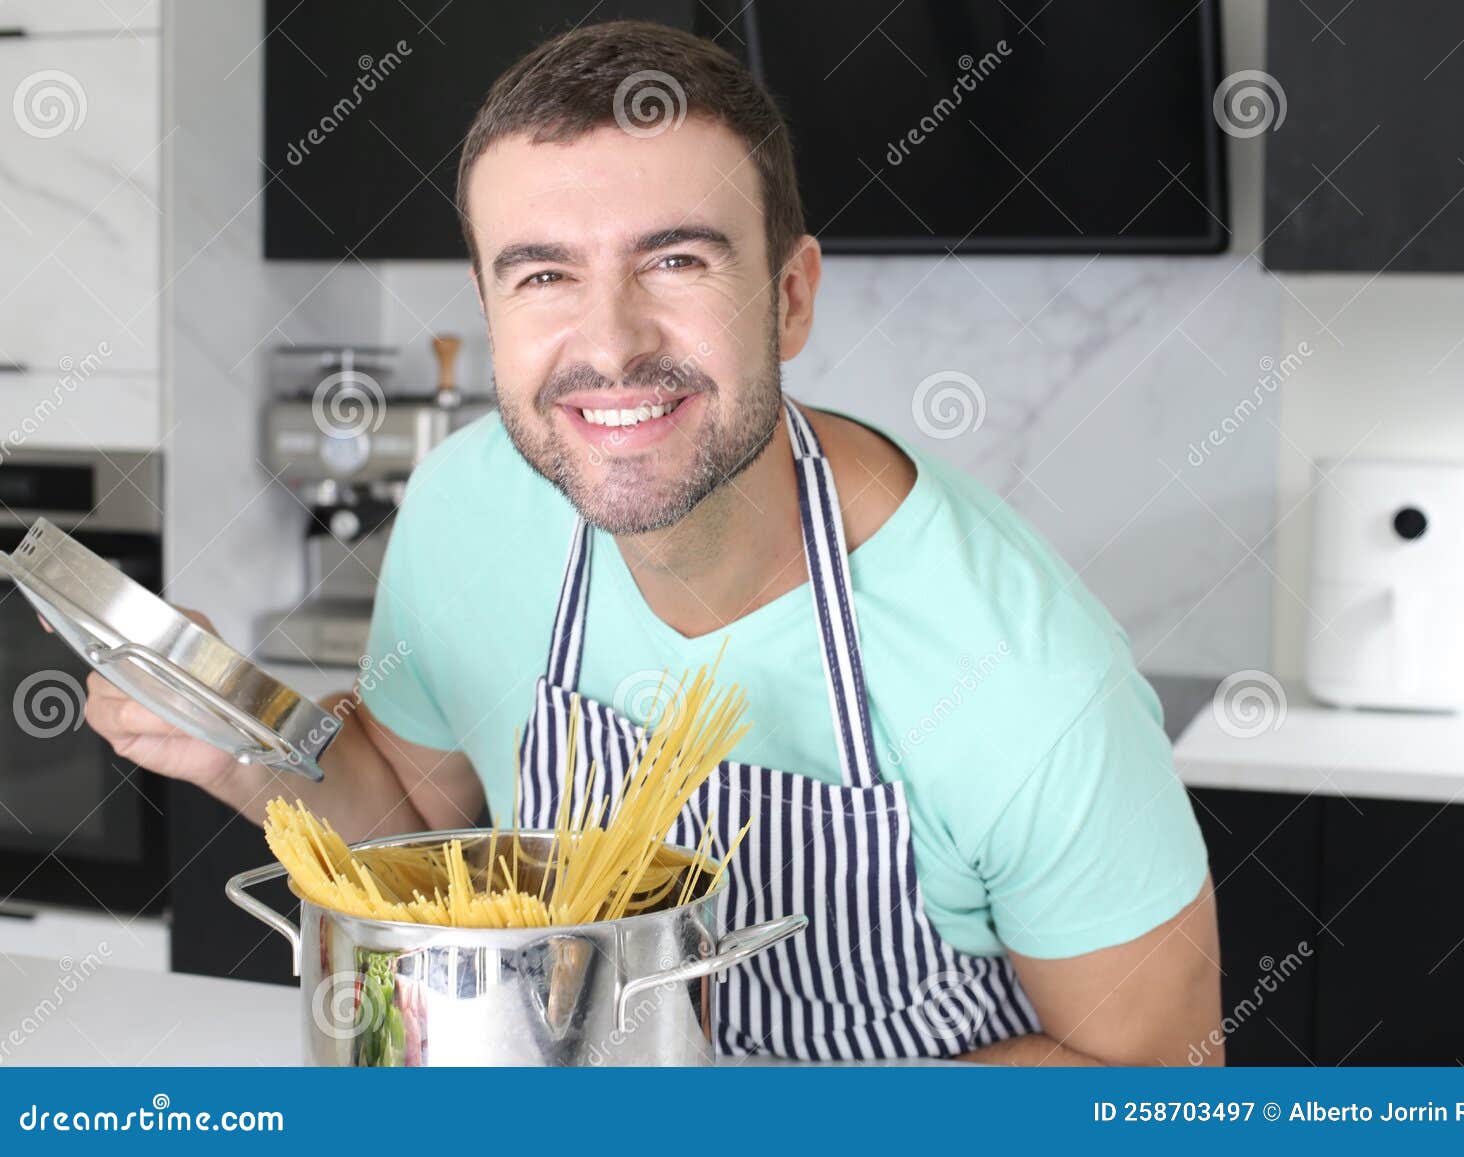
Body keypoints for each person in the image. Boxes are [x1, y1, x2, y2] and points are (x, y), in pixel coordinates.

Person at [83, 20, 1221, 1065]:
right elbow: (420, 829)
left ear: (789, 297)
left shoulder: (1018, 671)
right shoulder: (467, 505)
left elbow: (1156, 1085)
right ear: (488, 308)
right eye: (542, 275)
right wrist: (237, 742)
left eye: (676, 261)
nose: (610, 343)